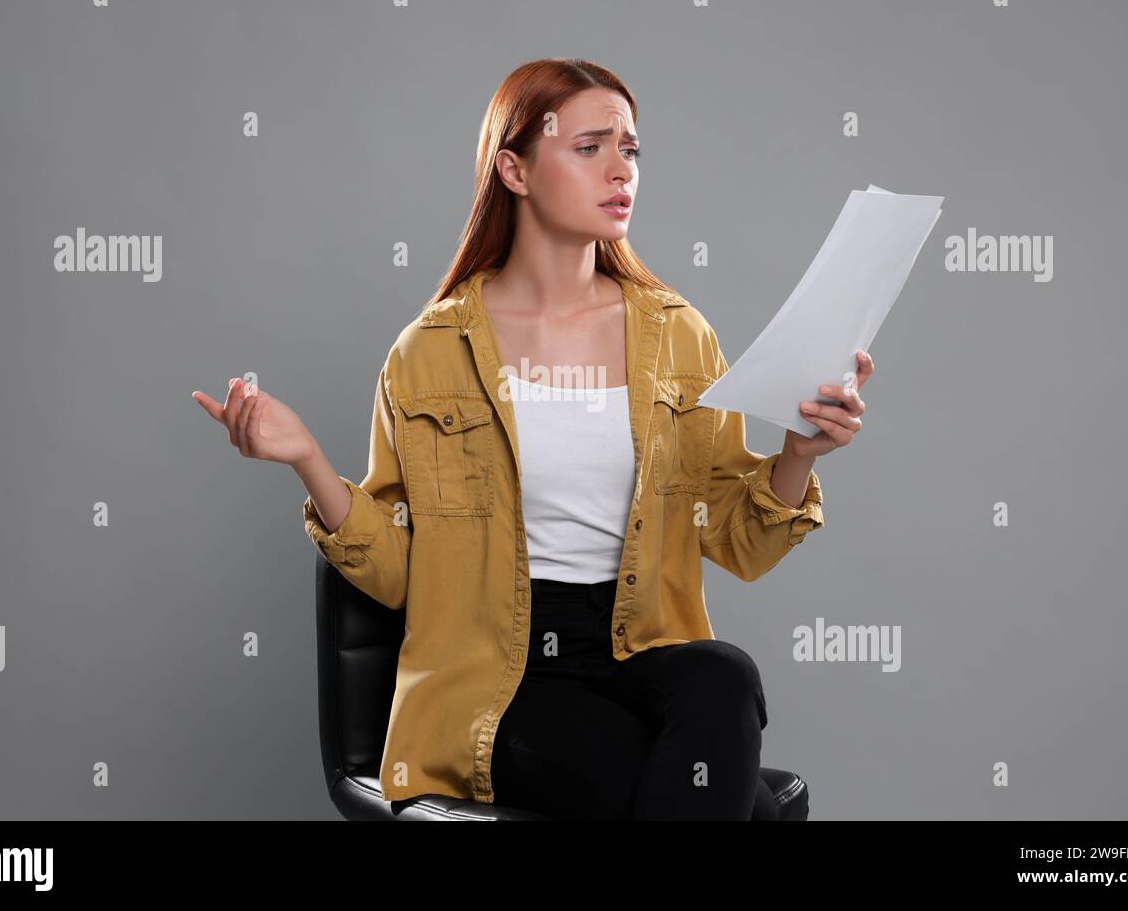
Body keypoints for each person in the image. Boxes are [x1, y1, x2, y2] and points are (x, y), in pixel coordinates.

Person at [193, 58, 870, 819]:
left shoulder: (681, 337)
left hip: (638, 654)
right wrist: (307, 460)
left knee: (724, 673)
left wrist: (797, 455)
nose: (621, 169)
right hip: (499, 683)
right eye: (589, 147)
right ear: (513, 169)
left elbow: (737, 542)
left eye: (630, 148)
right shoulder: (430, 351)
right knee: (745, 807)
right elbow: (397, 572)